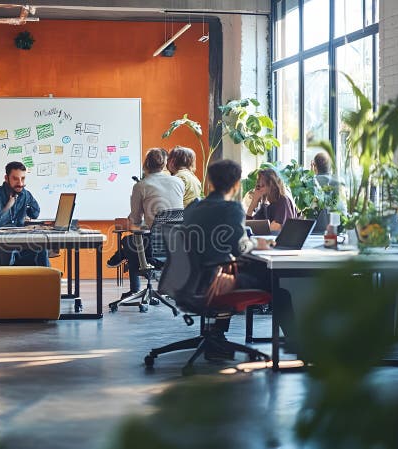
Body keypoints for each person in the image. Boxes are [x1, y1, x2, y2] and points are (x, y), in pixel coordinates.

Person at [183, 159, 296, 355]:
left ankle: (217, 334)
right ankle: (298, 346)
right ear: (236, 185)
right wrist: (257, 245)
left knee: (244, 271)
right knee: (279, 289)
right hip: (213, 284)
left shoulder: (193, 208)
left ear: (209, 183)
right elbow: (240, 248)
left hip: (189, 280)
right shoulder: (230, 209)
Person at [107, 148, 184, 298]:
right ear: (165, 164)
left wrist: (140, 220)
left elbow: (135, 219)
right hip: (176, 244)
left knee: (128, 242)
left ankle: (134, 287)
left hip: (153, 246)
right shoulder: (178, 182)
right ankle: (123, 257)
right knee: (135, 243)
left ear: (146, 164)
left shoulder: (141, 186)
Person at [0, 161, 49, 266]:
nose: (20, 183)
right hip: (0, 246)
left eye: (23, 178)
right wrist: (7, 207)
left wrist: (28, 209)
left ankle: (47, 278)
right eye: (15, 179)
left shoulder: (25, 194)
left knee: (41, 248)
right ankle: (9, 280)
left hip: (21, 243)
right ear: (6, 178)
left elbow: (35, 214)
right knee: (8, 249)